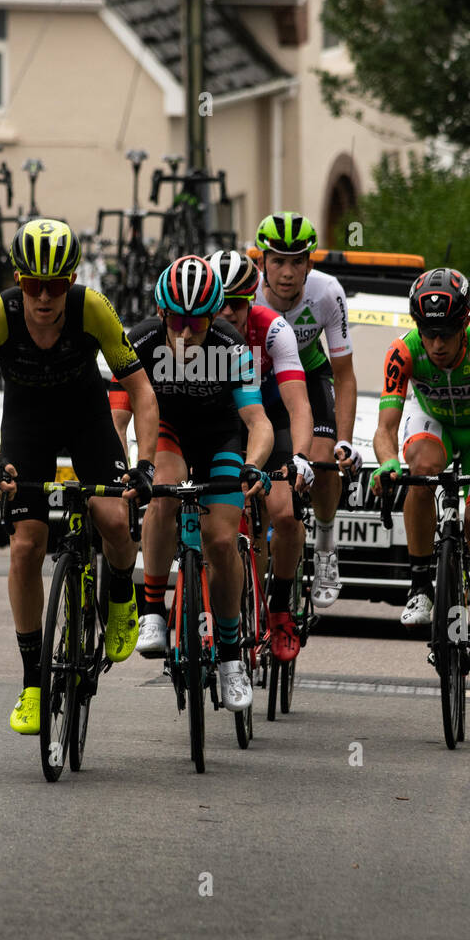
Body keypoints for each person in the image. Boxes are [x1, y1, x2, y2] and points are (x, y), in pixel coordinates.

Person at [0, 218, 159, 737]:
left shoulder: (92, 308)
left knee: (113, 516)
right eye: (33, 285)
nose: (44, 297)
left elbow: (141, 392)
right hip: (27, 423)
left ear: (70, 281)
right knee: (27, 544)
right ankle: (31, 682)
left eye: (56, 285)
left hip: (84, 415)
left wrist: (146, 463)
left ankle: (118, 595)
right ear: (19, 282)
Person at [109, 254, 274, 712]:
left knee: (221, 539)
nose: (185, 333)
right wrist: (121, 466)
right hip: (166, 430)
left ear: (213, 316)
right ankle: (152, 611)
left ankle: (229, 657)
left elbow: (256, 421)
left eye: (198, 322)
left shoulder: (231, 343)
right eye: (178, 320)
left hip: (219, 434)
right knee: (162, 490)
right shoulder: (138, 341)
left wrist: (252, 465)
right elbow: (117, 419)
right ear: (162, 312)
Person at [369, 267, 470, 699]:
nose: (437, 345)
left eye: (445, 333)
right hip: (434, 423)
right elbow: (385, 428)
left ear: (463, 324)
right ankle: (422, 584)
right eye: (428, 332)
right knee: (419, 468)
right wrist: (387, 463)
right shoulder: (403, 352)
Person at [207, 249, 313, 662]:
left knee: (284, 512)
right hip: (220, 422)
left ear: (252, 301)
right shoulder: (193, 330)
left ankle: (282, 607)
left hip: (269, 416)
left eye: (238, 303)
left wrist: (301, 456)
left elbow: (299, 405)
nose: (229, 312)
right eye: (221, 303)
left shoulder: (273, 329)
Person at [254, 212, 362, 608]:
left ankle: (326, 546)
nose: (287, 271)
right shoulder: (245, 292)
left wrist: (344, 441)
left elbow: (345, 376)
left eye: (297, 260)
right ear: (261, 261)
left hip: (309, 374)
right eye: (278, 261)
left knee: (323, 460)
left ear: (309, 264)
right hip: (261, 379)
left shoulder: (327, 292)